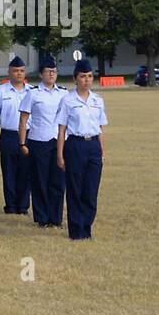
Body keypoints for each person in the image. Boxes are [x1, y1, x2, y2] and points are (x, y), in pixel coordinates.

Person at [56, 59, 108, 240]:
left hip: (93, 145)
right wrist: (60, 155)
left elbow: (100, 129)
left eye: (89, 76)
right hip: (75, 145)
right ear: (75, 79)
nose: (86, 80)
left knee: (91, 190)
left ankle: (87, 228)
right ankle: (76, 231)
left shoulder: (97, 101)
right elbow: (61, 130)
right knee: (75, 190)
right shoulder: (68, 100)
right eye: (82, 77)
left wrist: (102, 152)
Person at [18, 56, 68, 229]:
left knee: (58, 181)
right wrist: (22, 143)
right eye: (48, 71)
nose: (52, 74)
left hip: (59, 140)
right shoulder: (33, 93)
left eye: (54, 71)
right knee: (40, 180)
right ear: (41, 74)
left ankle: (56, 217)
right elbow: (24, 120)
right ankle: (42, 217)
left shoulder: (63, 93)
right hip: (39, 140)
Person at [0, 55, 32, 215]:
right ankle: (10, 205)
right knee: (9, 172)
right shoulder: (1, 91)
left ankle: (23, 206)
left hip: (29, 135)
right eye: (15, 71)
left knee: (26, 172)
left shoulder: (32, 91)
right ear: (9, 72)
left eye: (21, 71)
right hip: (8, 135)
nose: (18, 73)